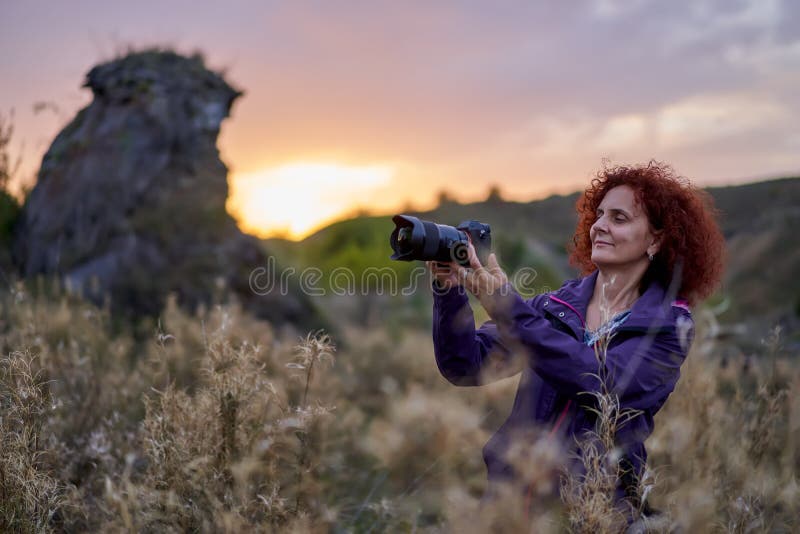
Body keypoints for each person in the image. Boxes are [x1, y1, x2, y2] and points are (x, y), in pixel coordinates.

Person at [427, 161, 725, 520]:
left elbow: (602, 383)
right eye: (599, 215)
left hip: (589, 516)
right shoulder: (556, 307)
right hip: (507, 510)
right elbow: (466, 365)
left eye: (619, 218)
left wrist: (506, 306)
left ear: (657, 239)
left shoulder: (668, 328)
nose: (600, 225)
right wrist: (449, 290)